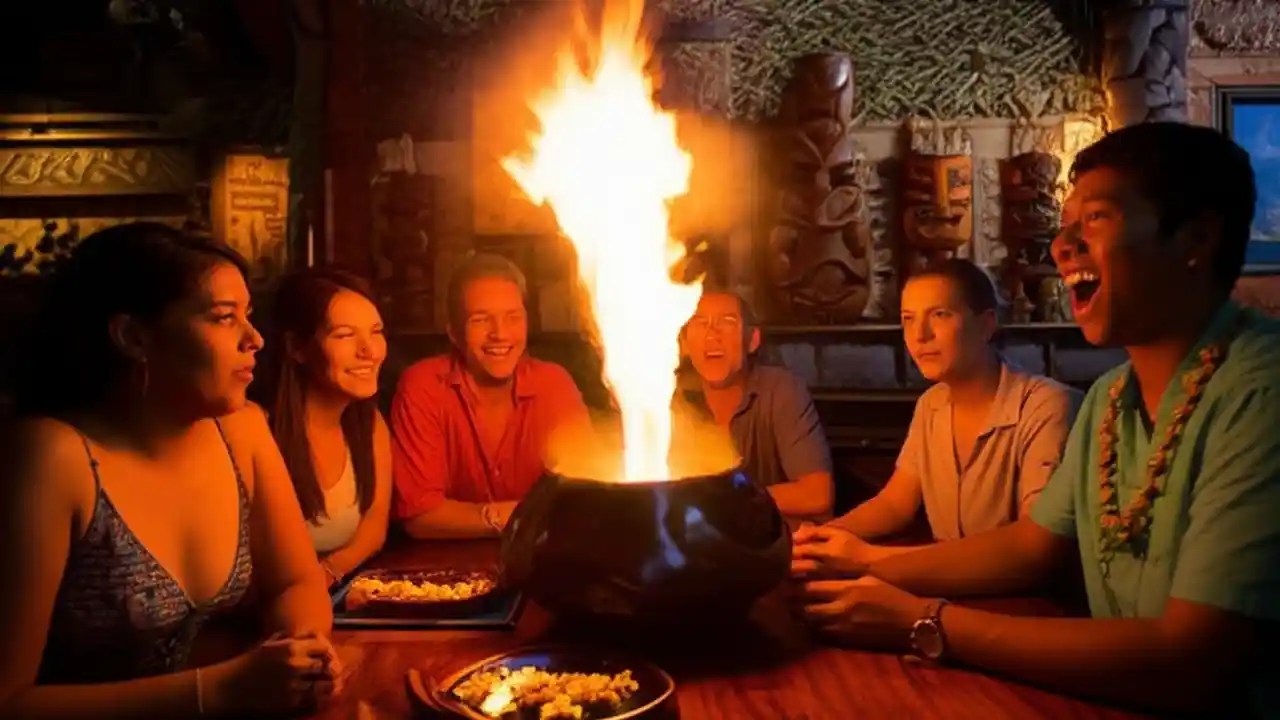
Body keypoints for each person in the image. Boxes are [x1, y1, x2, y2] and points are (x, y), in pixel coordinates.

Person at [790, 123, 1280, 716]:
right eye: (1066, 225)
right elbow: (1029, 545)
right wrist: (865, 562)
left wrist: (923, 620)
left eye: (1095, 220)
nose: (1061, 246)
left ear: (1195, 238)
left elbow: (1191, 661)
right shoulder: (1108, 398)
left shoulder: (1260, 389)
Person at [0, 223, 340, 718]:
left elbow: (297, 581)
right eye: (225, 318)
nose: (256, 339)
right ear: (134, 336)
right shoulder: (54, 456)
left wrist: (302, 653)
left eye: (250, 315)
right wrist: (216, 692)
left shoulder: (240, 430)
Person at [792, 259, 1081, 576]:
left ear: (986, 325)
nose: (920, 335)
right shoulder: (932, 405)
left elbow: (1031, 549)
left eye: (940, 315)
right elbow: (895, 504)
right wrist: (820, 537)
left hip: (1024, 601)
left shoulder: (1046, 405)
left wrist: (868, 557)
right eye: (908, 319)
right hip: (947, 585)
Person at [390, 252, 593, 539]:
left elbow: (583, 501)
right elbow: (419, 517)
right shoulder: (424, 386)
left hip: (541, 561)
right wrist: (522, 516)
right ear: (454, 333)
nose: (500, 334)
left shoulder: (554, 385)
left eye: (513, 318)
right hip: (441, 569)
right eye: (481, 320)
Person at [266, 268, 392, 586]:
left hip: (334, 593)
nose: (369, 350)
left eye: (376, 332)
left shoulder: (370, 425)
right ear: (297, 348)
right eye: (345, 335)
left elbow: (374, 529)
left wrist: (328, 573)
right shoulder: (260, 430)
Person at [671, 287, 834, 521]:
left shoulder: (780, 390)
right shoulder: (671, 398)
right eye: (699, 323)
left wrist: (726, 501)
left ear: (752, 340)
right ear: (685, 345)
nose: (712, 334)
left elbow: (817, 494)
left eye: (727, 322)